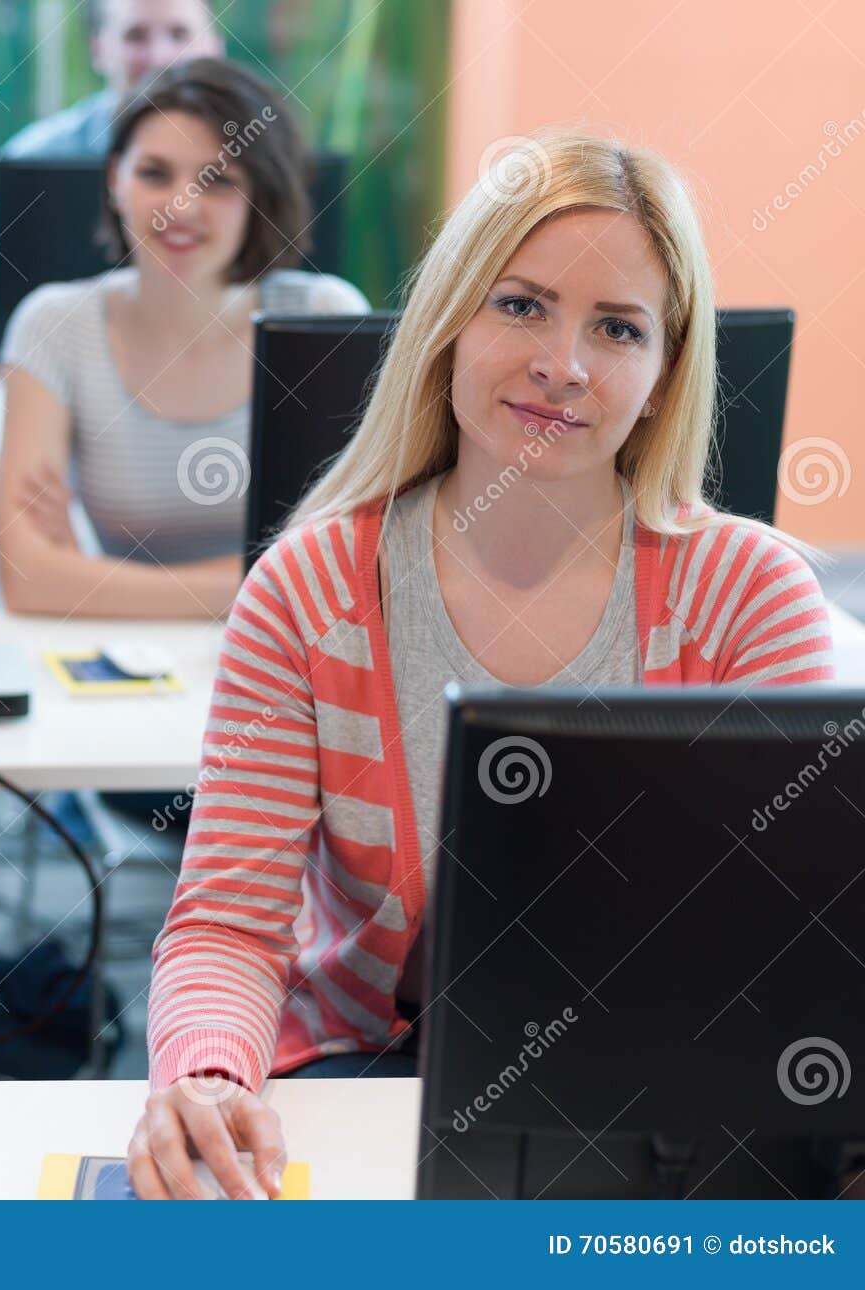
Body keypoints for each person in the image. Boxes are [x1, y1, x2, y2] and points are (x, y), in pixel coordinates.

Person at [125, 131, 838, 1199]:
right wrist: (213, 1075)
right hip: (367, 1084)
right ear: (448, 324)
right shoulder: (310, 591)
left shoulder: (752, 598)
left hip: (670, 1110)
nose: (564, 362)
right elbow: (228, 924)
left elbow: (798, 948)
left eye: (617, 327)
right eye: (521, 305)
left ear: (660, 377)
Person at [0, 57, 368, 620]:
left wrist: (91, 581)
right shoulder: (52, 325)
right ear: (114, 179)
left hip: (298, 665)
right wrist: (267, 585)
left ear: (258, 197)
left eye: (217, 181)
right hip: (130, 666)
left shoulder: (326, 317)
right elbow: (27, 582)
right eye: (154, 174)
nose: (181, 205)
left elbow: (353, 564)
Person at [0, 0, 224, 373]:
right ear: (99, 48)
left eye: (179, 33)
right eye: (135, 35)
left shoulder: (257, 157)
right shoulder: (33, 157)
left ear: (215, 44)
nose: (159, 56)